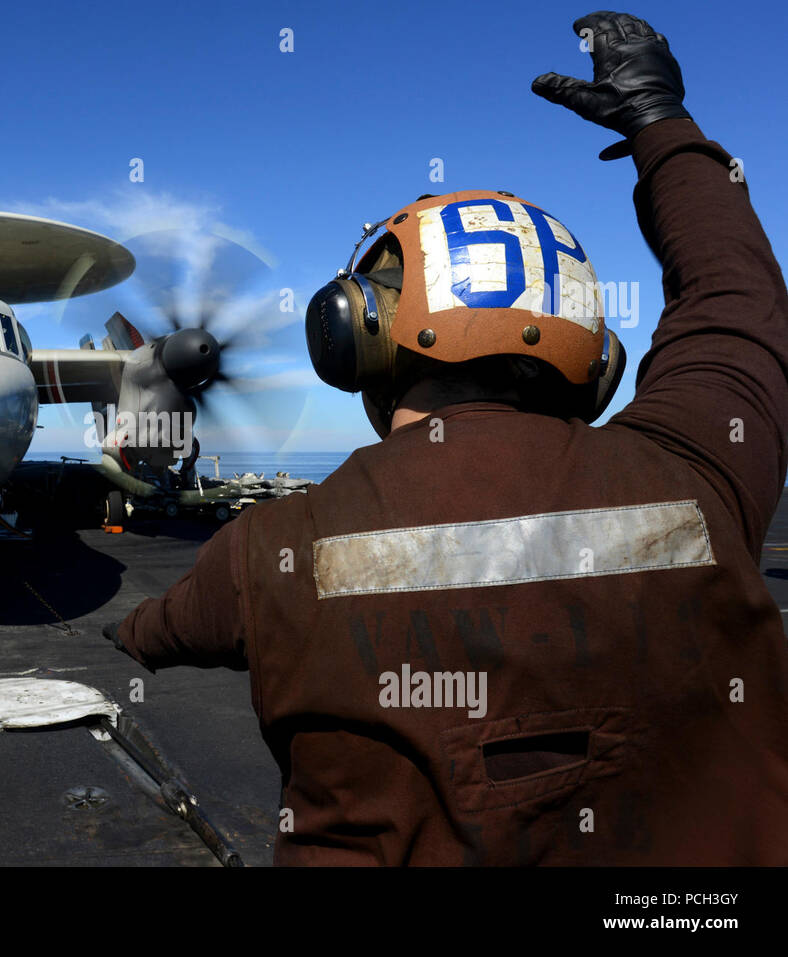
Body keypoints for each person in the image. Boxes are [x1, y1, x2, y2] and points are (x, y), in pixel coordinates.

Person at [104, 11, 788, 865]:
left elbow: (166, 628)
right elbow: (736, 297)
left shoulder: (268, 552)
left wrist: (125, 637)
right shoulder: (702, 474)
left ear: (355, 333)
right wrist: (664, 124)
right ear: (596, 354)